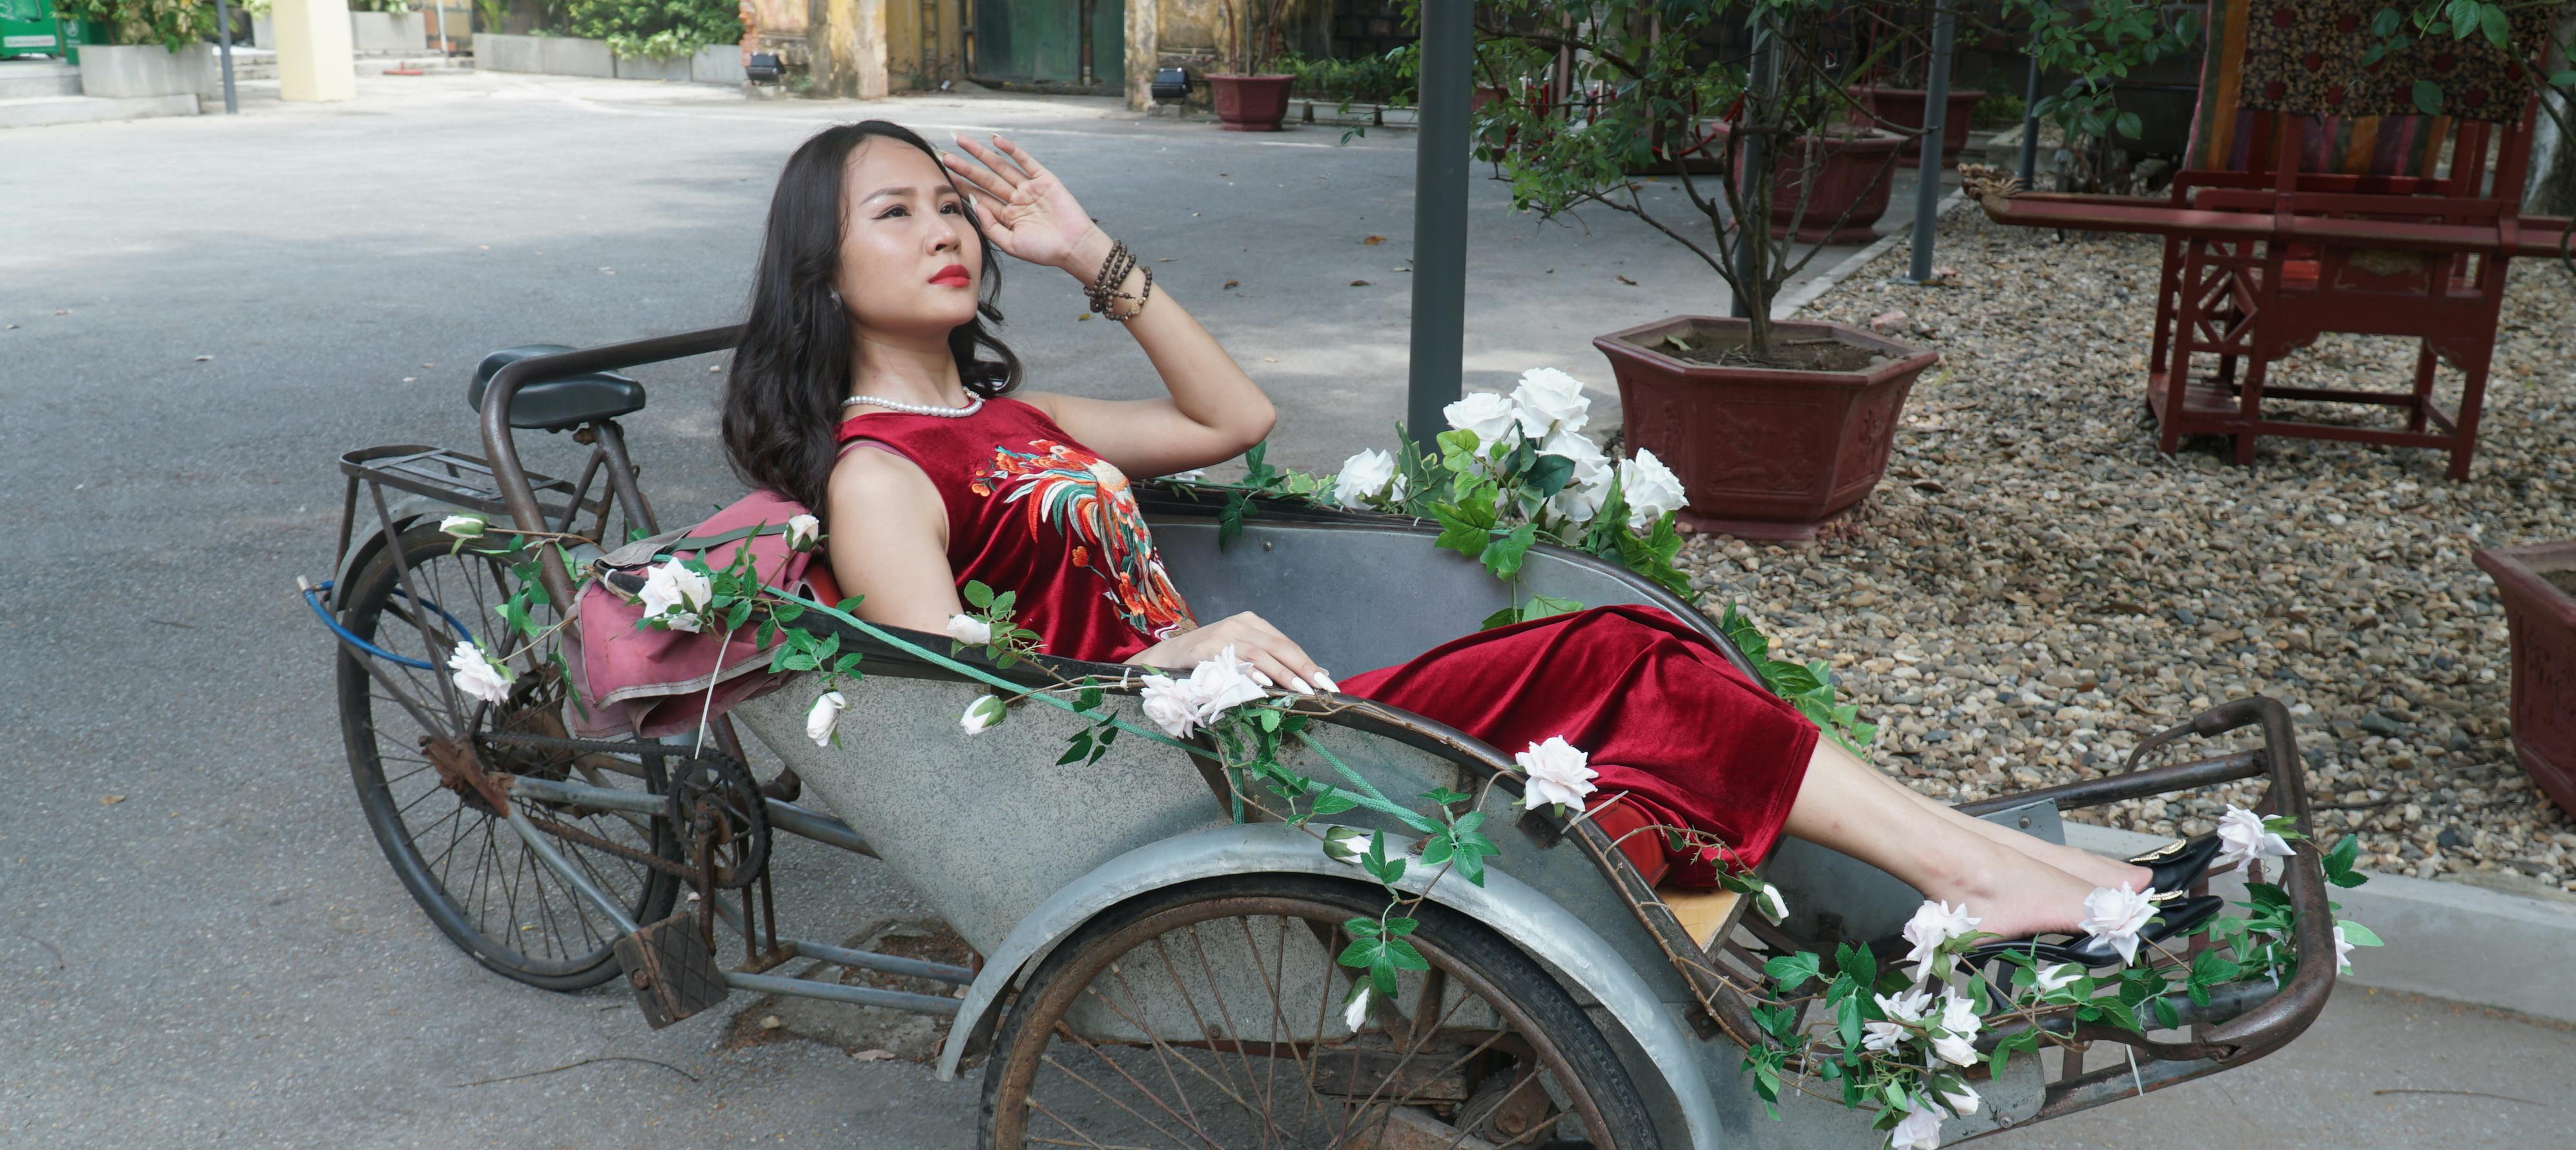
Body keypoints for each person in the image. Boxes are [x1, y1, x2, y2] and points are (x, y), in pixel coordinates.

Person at [719, 121, 2205, 947]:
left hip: (1264, 720)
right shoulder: (876, 477)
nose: (946, 227)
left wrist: (1090, 253)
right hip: (1185, 774)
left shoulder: (1013, 414)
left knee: (1628, 641)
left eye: (950, 204)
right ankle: (1990, 883)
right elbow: (959, 722)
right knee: (1627, 669)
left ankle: (2000, 876)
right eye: (894, 212)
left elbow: (1229, 418)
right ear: (823, 267)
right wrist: (1177, 648)